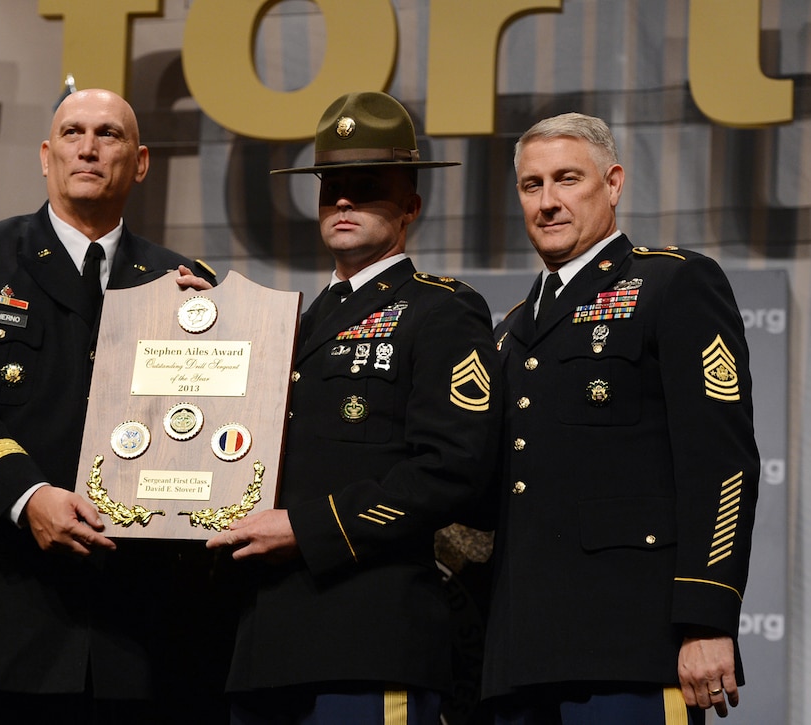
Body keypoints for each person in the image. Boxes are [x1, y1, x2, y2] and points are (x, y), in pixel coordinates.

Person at [0, 88, 223, 724]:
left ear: (140, 162)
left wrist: (215, 335)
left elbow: (205, 436)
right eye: (72, 133)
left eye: (109, 135)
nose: (88, 148)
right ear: (45, 155)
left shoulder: (183, 285)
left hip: (124, 632)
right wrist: (27, 494)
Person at [206, 91, 503, 724]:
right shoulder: (293, 326)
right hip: (264, 644)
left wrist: (307, 530)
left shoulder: (440, 310)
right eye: (330, 188)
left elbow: (452, 468)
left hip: (369, 638)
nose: (342, 201)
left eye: (366, 188)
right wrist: (196, 325)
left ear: (410, 208)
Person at [480, 112, 760, 723]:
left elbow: (721, 463)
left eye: (567, 179)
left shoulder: (673, 283)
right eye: (532, 185)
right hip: (519, 659)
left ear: (613, 183)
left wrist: (706, 618)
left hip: (636, 645)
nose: (548, 202)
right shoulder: (508, 332)